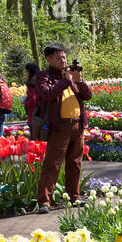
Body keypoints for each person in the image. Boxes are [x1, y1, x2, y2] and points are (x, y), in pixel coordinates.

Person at [31, 44, 92, 213]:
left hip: (77, 125)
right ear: (48, 59)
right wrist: (66, 80)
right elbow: (48, 94)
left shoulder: (71, 76)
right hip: (59, 127)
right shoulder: (44, 76)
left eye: (64, 57)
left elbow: (87, 95)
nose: (63, 60)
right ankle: (44, 201)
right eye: (58, 57)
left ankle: (74, 197)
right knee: (53, 164)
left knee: (75, 163)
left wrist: (79, 81)